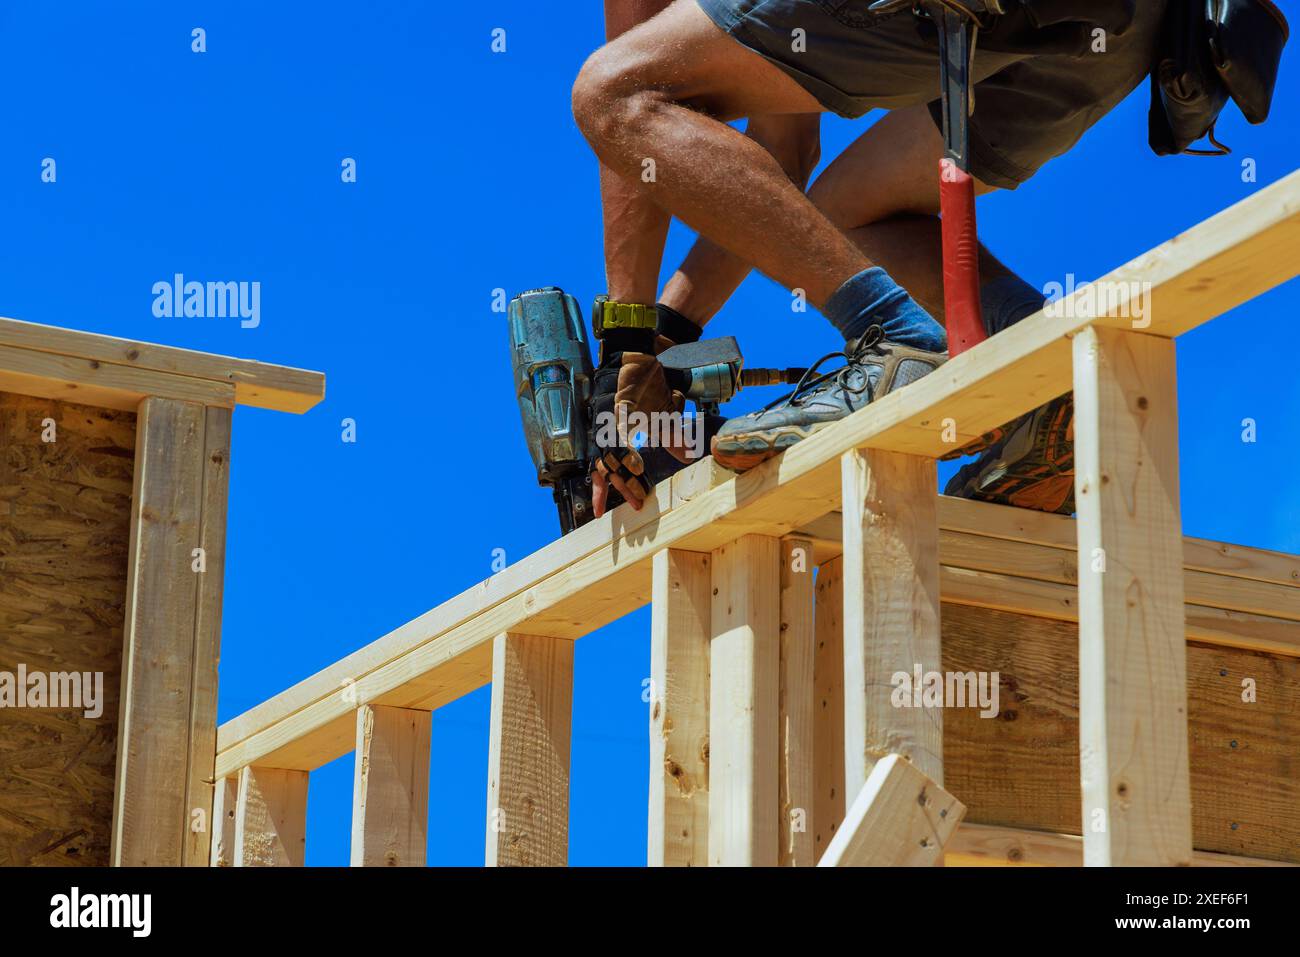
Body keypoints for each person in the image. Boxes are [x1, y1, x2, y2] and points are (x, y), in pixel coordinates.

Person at [576, 0, 1166, 516]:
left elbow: (634, 99)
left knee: (612, 92)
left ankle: (900, 343)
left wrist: (626, 349)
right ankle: (1041, 380)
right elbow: (786, 148)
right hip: (1117, 25)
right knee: (845, 219)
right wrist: (663, 338)